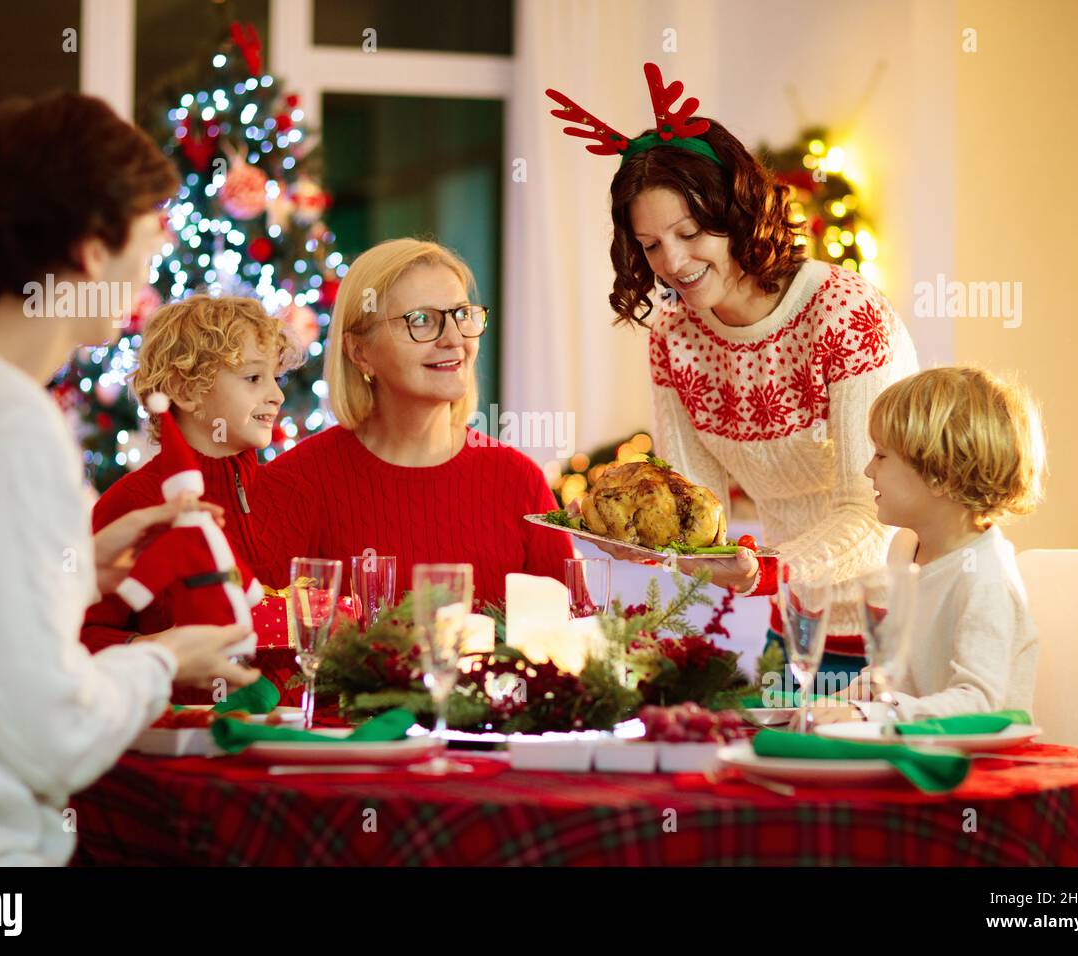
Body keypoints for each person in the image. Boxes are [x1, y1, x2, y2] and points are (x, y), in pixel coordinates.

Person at [0, 93, 258, 865]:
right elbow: (54, 735)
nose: (147, 275)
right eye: (144, 247)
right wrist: (164, 660)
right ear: (89, 250)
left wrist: (76, 568)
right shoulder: (13, 421)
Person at [549, 62, 918, 684]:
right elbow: (698, 517)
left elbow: (871, 512)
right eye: (650, 245)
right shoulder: (674, 338)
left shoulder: (843, 314)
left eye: (689, 233)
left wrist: (764, 566)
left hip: (892, 628)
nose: (673, 262)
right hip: (787, 628)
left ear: (738, 211)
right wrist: (637, 537)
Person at [252, 238, 573, 606]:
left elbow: (571, 639)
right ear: (359, 351)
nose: (454, 339)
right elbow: (256, 641)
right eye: (421, 320)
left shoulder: (519, 481)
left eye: (462, 315)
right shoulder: (292, 484)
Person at [816, 367, 1045, 723]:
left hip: (979, 765)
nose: (867, 471)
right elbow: (892, 674)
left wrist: (865, 715)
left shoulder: (985, 578)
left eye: (881, 456)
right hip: (914, 747)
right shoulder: (905, 548)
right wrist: (834, 705)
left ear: (939, 474)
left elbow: (978, 702)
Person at [81, 295, 301, 655]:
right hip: (185, 711)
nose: (276, 395)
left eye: (275, 377)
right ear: (186, 390)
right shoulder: (131, 506)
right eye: (253, 377)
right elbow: (83, 638)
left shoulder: (290, 494)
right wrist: (165, 649)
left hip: (288, 713)